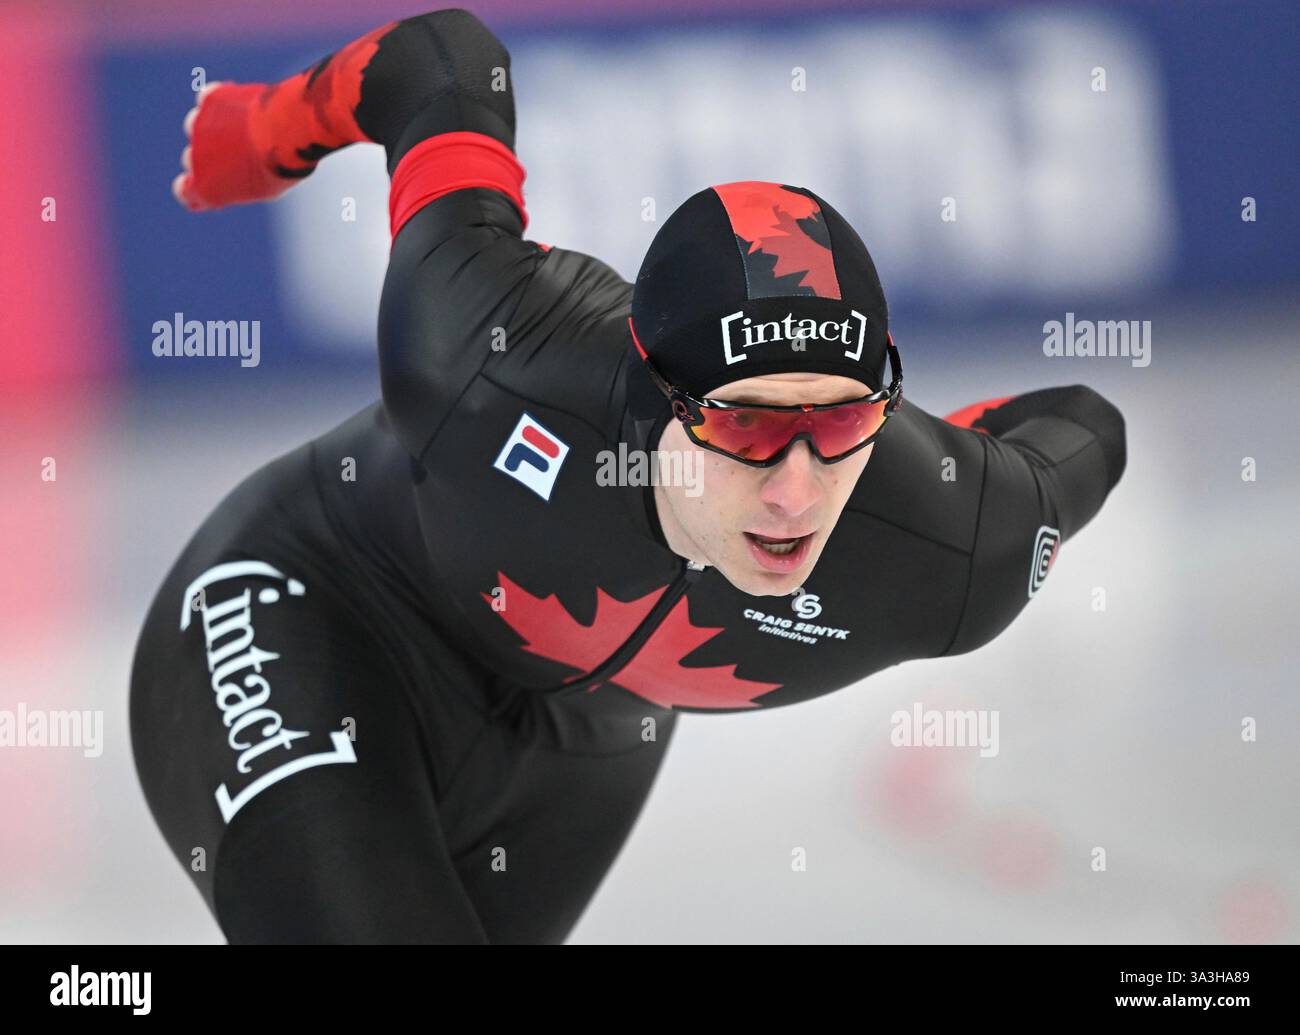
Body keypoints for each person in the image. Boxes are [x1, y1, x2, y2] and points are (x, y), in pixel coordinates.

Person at [130, 8, 1126, 944]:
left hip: (579, 750)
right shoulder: (483, 355)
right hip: (325, 611)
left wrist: (911, 465)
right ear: (653, 401)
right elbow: (439, 59)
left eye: (845, 421)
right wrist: (270, 128)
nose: (795, 492)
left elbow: (1086, 426)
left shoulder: (957, 547)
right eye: (743, 428)